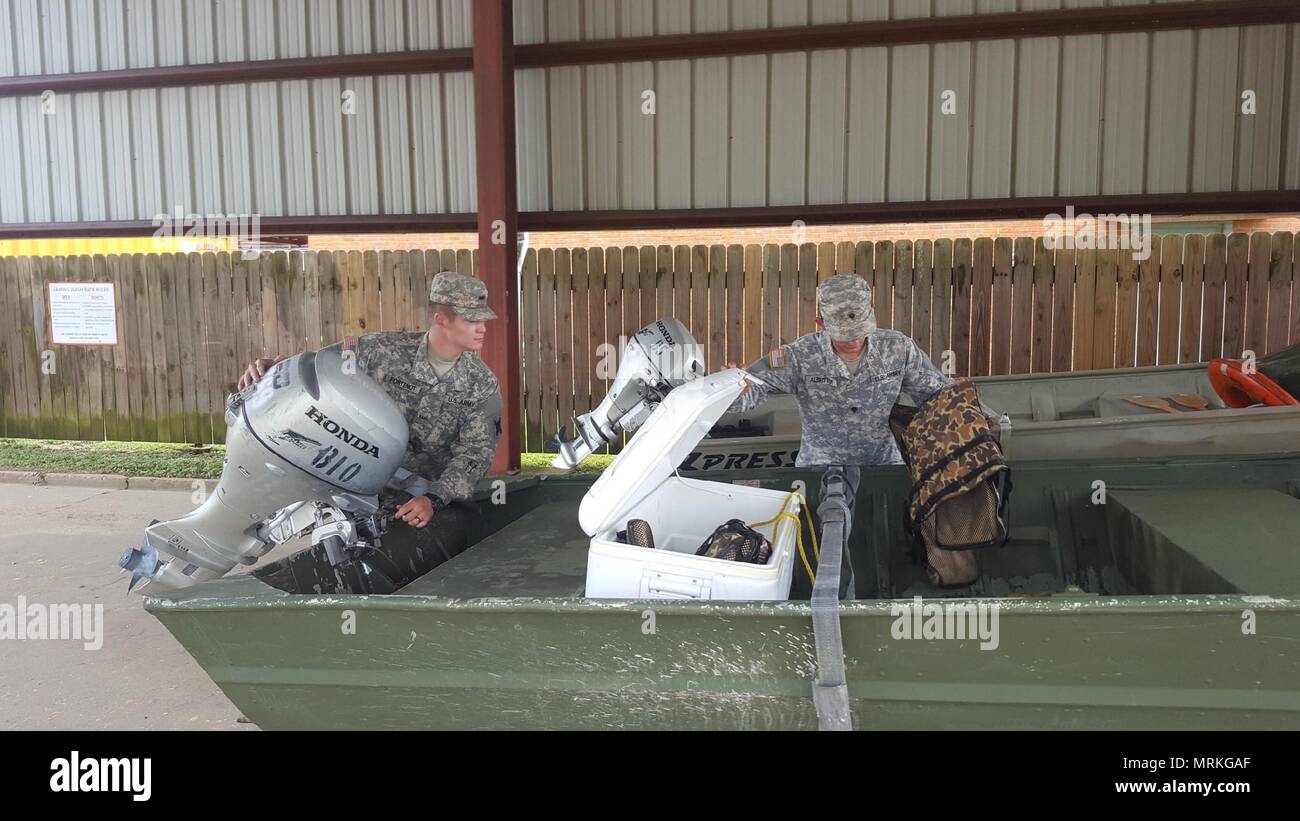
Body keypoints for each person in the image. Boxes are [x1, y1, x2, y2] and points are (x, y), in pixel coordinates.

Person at [237, 271, 503, 591]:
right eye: (472, 321)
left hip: (426, 504)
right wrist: (274, 368)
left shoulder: (481, 384)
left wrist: (435, 498)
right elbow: (317, 369)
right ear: (442, 320)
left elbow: (475, 453)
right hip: (361, 489)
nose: (482, 328)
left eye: (483, 320)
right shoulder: (378, 350)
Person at [729, 273, 951, 467]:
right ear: (821, 323)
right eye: (844, 334)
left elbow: (934, 394)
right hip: (820, 469)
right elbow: (752, 390)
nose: (854, 339)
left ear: (873, 311)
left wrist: (957, 395)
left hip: (884, 466)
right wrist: (735, 391)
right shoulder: (798, 355)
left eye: (859, 331)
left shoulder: (898, 348)